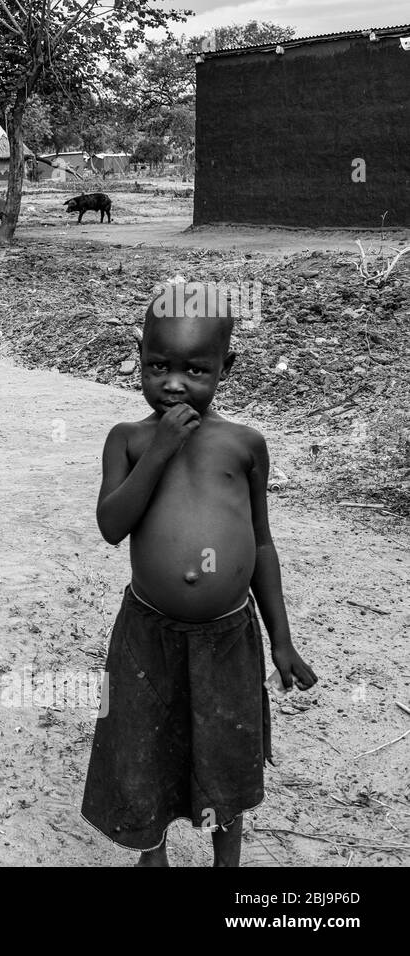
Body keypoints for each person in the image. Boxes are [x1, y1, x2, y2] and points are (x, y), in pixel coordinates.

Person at [81, 282, 318, 866]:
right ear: (139, 355)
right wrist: (159, 451)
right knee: (144, 745)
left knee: (225, 750)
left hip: (227, 637)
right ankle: (152, 854)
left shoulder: (244, 446)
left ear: (226, 367)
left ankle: (225, 862)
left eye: (196, 369)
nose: (174, 384)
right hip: (149, 634)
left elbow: (261, 543)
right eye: (158, 366)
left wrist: (282, 640)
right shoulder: (130, 440)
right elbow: (112, 525)